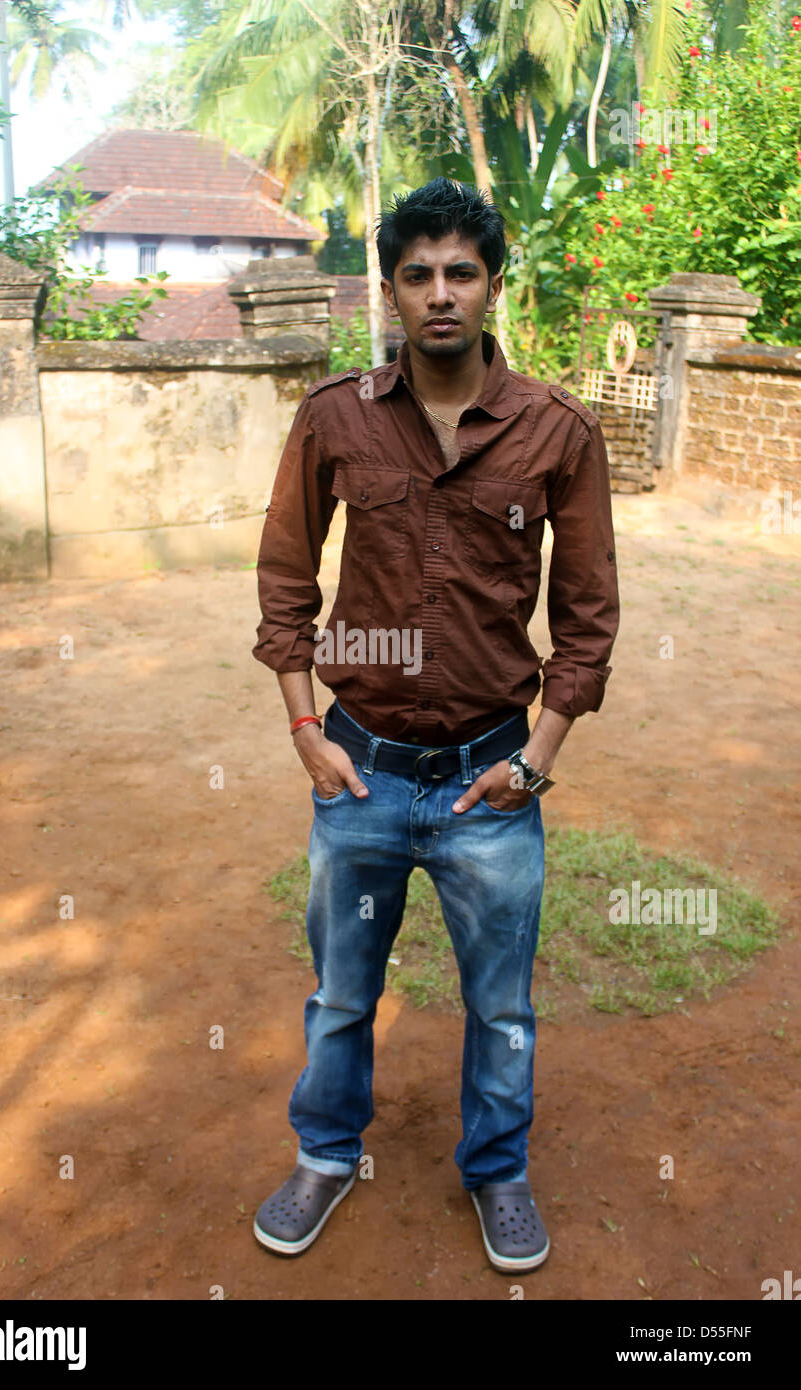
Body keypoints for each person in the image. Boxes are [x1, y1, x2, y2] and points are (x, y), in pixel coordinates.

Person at [250, 177, 620, 1273]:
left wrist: (536, 760)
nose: (439, 293)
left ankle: (495, 1171)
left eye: (460, 271)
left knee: (499, 1006)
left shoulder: (558, 431)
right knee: (341, 992)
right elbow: (283, 580)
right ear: (392, 291)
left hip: (487, 783)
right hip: (357, 771)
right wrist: (304, 732)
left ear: (492, 285)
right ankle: (325, 1152)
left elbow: (587, 618)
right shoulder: (336, 418)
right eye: (417, 274)